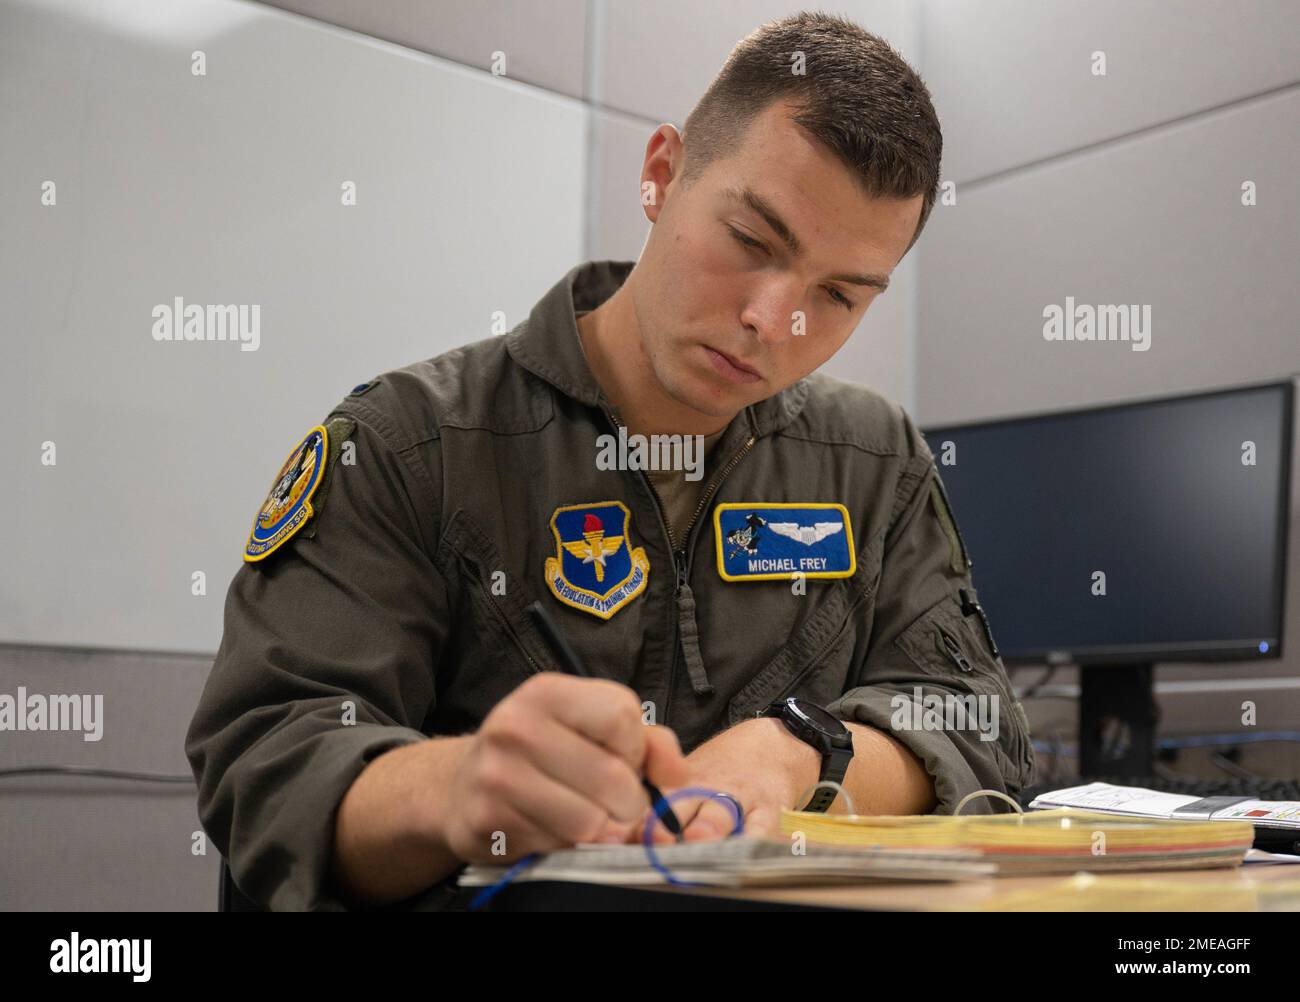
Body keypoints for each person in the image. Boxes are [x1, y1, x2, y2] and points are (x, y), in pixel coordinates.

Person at [185, 11, 1035, 911]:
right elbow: (269, 759)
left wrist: (796, 754)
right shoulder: (409, 444)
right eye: (752, 242)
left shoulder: (872, 460)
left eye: (837, 295)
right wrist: (460, 786)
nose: (772, 319)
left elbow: (976, 721)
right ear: (661, 175)